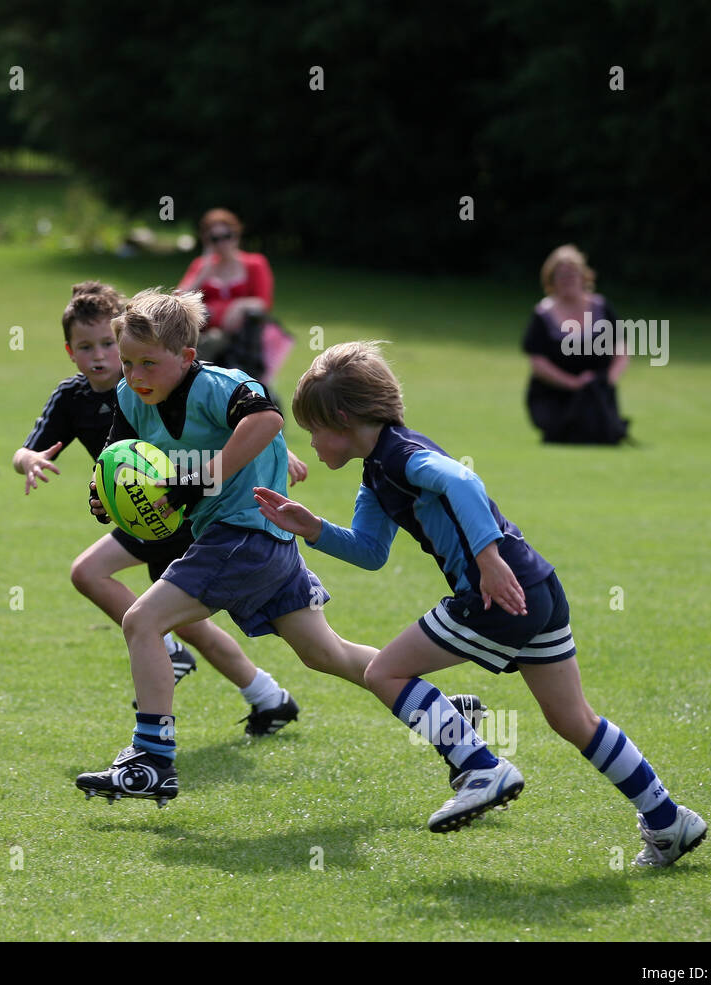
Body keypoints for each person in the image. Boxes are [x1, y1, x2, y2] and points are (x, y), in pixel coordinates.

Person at [252, 341, 707, 864]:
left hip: (494, 592)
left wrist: (488, 560)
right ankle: (668, 819)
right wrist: (313, 529)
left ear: (341, 417)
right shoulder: (378, 472)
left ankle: (481, 767)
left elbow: (462, 479)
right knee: (572, 718)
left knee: (383, 674)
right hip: (536, 587)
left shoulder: (401, 455)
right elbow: (371, 551)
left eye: (312, 430)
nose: (309, 443)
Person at [75, 291, 480, 808]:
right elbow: (117, 455)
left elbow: (267, 420)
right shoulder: (135, 398)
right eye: (127, 362)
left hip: (243, 535)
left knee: (142, 621)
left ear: (187, 358)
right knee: (325, 654)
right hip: (262, 544)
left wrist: (205, 477)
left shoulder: (220, 386)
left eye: (149, 363)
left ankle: (152, 759)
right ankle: (443, 715)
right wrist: (103, 492)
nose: (134, 374)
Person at [14, 281, 301, 727]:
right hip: (147, 511)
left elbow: (243, 422)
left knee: (142, 604)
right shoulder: (86, 396)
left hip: (183, 511)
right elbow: (69, 454)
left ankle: (199, 697)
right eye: (87, 347)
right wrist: (91, 487)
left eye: (110, 346)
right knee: (158, 610)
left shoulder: (169, 384)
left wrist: (277, 451)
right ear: (71, 351)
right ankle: (263, 693)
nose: (103, 357)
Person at [521, 245, 629, 444]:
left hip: (597, 394)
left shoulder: (601, 307)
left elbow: (620, 349)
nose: (567, 280)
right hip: (553, 396)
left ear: (583, 277)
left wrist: (606, 381)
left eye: (572, 275)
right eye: (561, 276)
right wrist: (573, 383)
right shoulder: (543, 314)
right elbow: (538, 361)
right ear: (551, 280)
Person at [176, 209, 292, 386]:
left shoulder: (254, 264)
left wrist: (240, 304)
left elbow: (264, 302)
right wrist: (202, 273)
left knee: (217, 341)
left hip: (242, 334)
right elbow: (177, 300)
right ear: (207, 241)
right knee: (208, 340)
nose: (222, 243)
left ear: (236, 236)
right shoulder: (202, 266)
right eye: (215, 239)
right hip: (206, 328)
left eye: (227, 236)